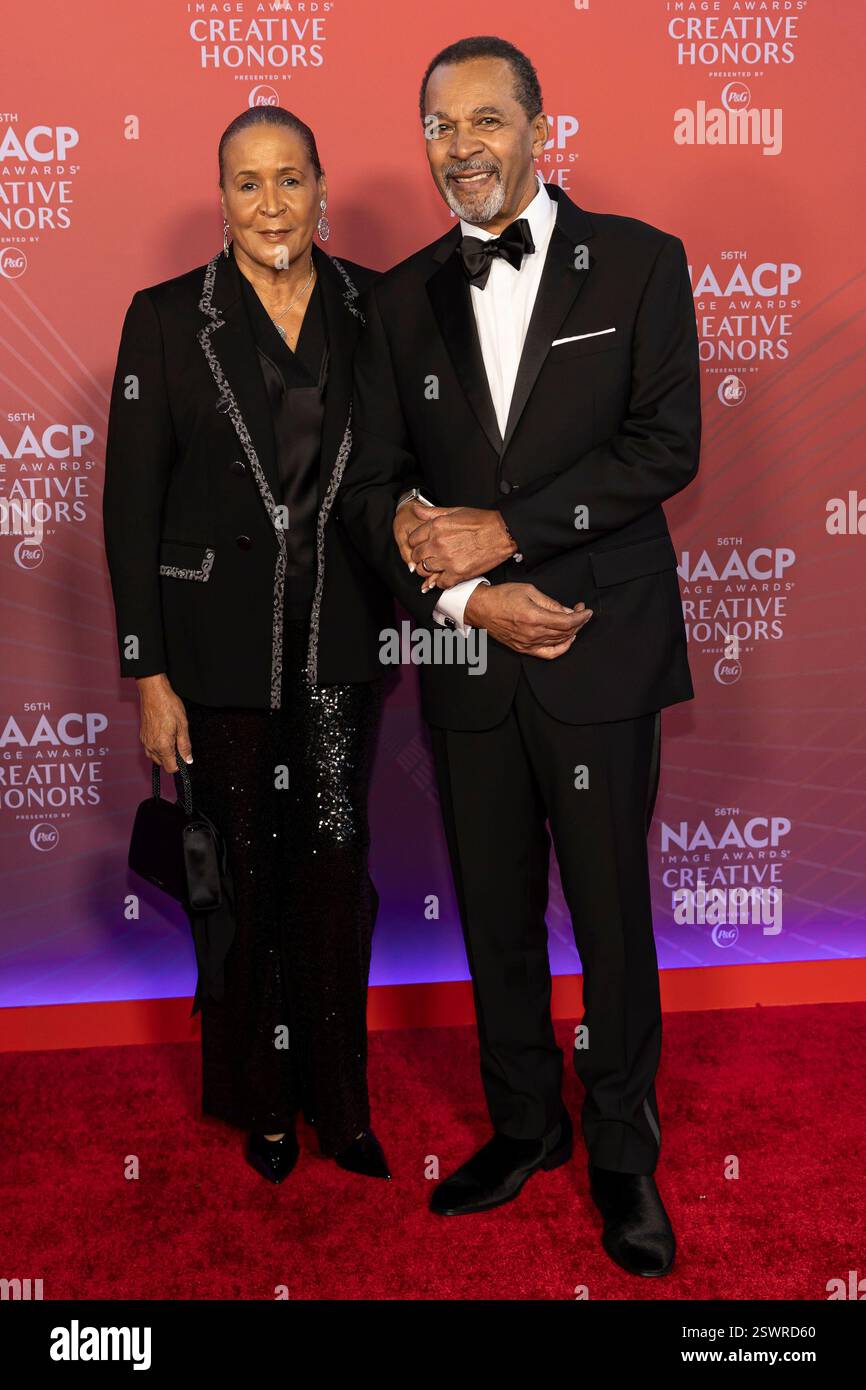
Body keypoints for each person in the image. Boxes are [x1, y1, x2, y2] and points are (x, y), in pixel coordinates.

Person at [338, 36, 701, 1274]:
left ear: (540, 126)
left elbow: (664, 446)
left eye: (484, 120)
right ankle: (522, 1126)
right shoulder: (393, 300)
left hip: (600, 645)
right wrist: (467, 600)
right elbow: (376, 487)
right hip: (468, 657)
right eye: (438, 125)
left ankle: (620, 1156)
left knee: (607, 917)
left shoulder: (642, 263)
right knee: (493, 914)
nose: (460, 148)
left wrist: (509, 535)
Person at [102, 107, 395, 1186]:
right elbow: (128, 511)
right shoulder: (169, 319)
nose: (270, 205)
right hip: (214, 652)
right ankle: (262, 1101)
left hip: (338, 648)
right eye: (245, 183)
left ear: (321, 184)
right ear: (219, 195)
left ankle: (341, 1100)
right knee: (241, 880)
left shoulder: (378, 305)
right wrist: (148, 671)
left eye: (288, 180)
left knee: (335, 871)